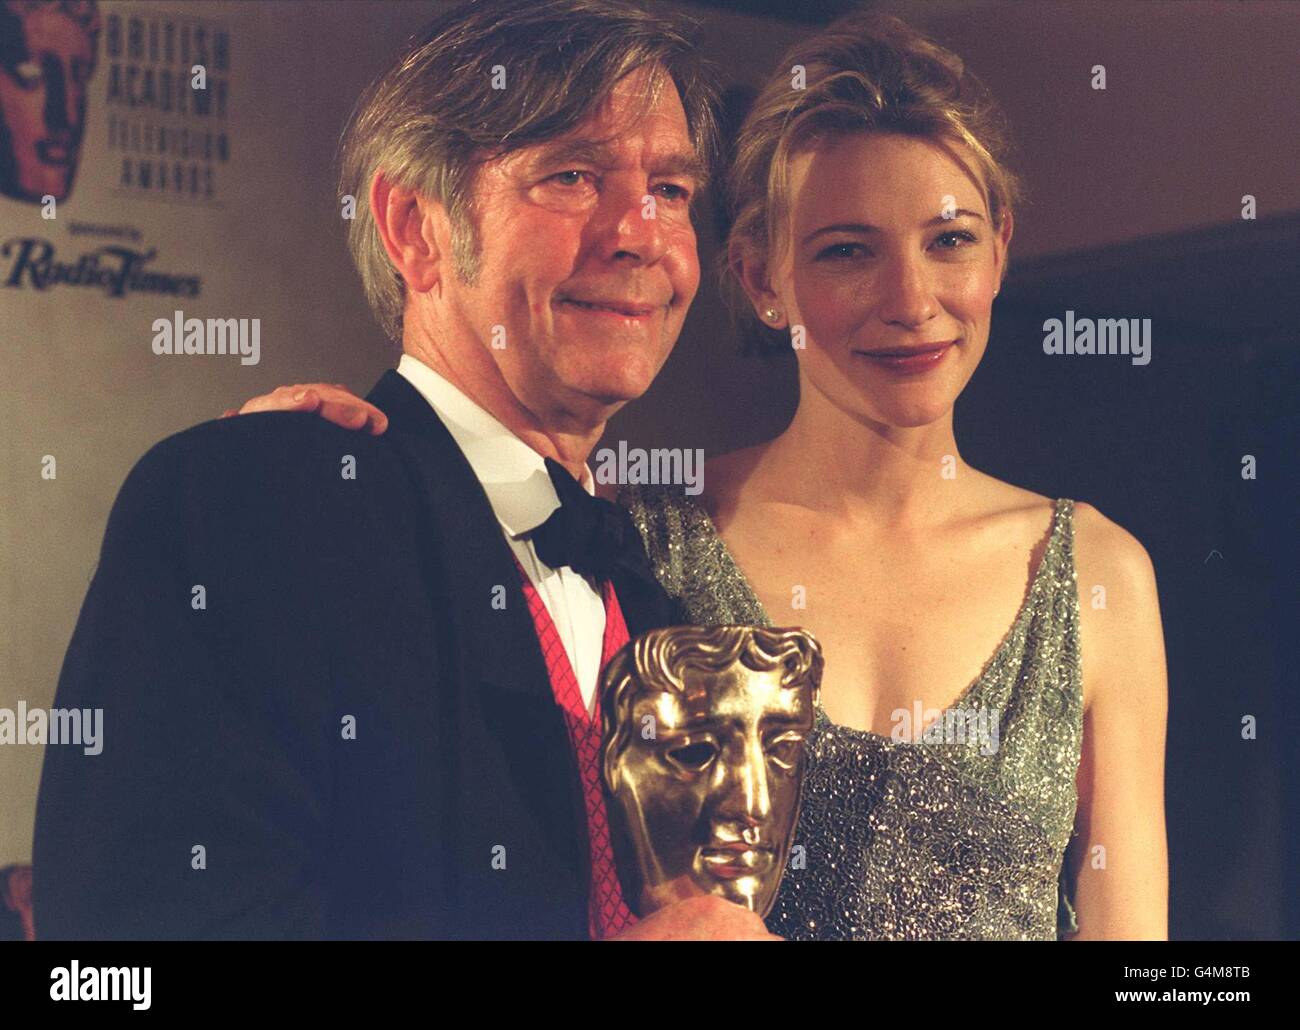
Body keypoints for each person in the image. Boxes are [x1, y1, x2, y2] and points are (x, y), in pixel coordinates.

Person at [248, 11, 1169, 940]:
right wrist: (320, 466)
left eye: (951, 240)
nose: (911, 300)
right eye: (848, 251)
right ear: (761, 277)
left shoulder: (1096, 573)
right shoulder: (630, 540)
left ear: (1001, 248)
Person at [34, 0, 778, 941]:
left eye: (670, 189)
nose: (642, 233)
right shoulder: (249, 503)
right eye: (572, 176)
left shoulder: (655, 590)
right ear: (414, 227)